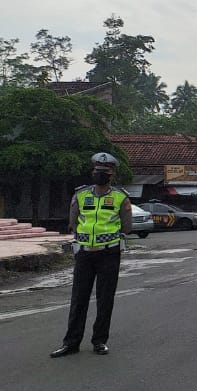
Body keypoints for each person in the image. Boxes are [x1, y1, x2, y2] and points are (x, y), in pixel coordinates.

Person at [51, 152, 132, 358]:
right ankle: (71, 343)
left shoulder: (120, 197)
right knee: (78, 299)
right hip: (84, 254)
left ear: (111, 175)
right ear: (92, 172)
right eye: (97, 171)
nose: (100, 175)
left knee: (105, 299)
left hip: (109, 254)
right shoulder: (80, 194)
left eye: (104, 172)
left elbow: (127, 226)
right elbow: (73, 221)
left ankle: (99, 341)